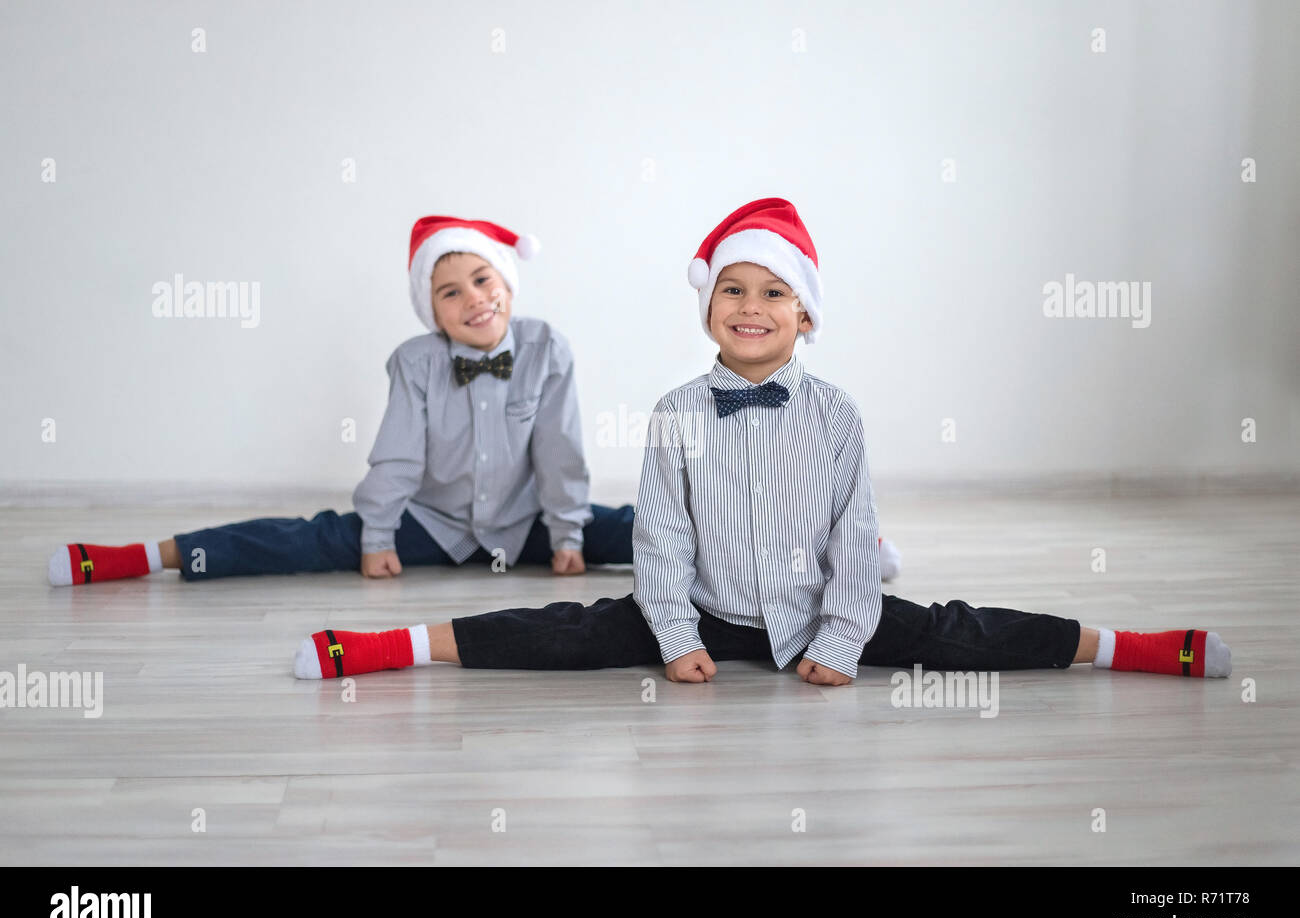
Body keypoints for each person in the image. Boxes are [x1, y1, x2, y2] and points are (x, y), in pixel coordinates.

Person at [291, 198, 1231, 684]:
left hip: (813, 610)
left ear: (805, 316)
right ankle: (383, 651)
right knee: (560, 632)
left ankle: (1136, 650)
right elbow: (659, 540)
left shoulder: (837, 418)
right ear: (709, 310)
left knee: (952, 632)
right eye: (732, 291)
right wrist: (670, 634)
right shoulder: (676, 413)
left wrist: (845, 634)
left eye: (773, 293)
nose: (751, 308)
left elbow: (852, 541)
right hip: (697, 609)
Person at [46, 216, 638, 584]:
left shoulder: (545, 347)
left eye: (484, 280)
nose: (474, 299)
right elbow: (398, 457)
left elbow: (561, 451)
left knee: (637, 530)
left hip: (522, 523)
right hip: (432, 525)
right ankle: (140, 558)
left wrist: (566, 537)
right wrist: (378, 538)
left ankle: (729, 553)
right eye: (450, 292)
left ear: (507, 282)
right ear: (432, 311)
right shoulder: (416, 361)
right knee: (310, 538)